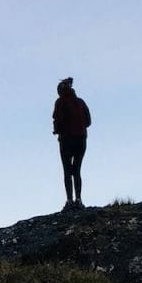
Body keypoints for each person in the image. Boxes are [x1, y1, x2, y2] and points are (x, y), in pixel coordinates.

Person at [52, 77, 91, 211]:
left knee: (67, 171)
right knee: (77, 170)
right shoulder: (80, 102)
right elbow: (89, 121)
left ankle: (69, 200)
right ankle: (79, 200)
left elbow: (57, 120)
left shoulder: (60, 102)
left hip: (66, 140)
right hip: (81, 139)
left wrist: (57, 130)